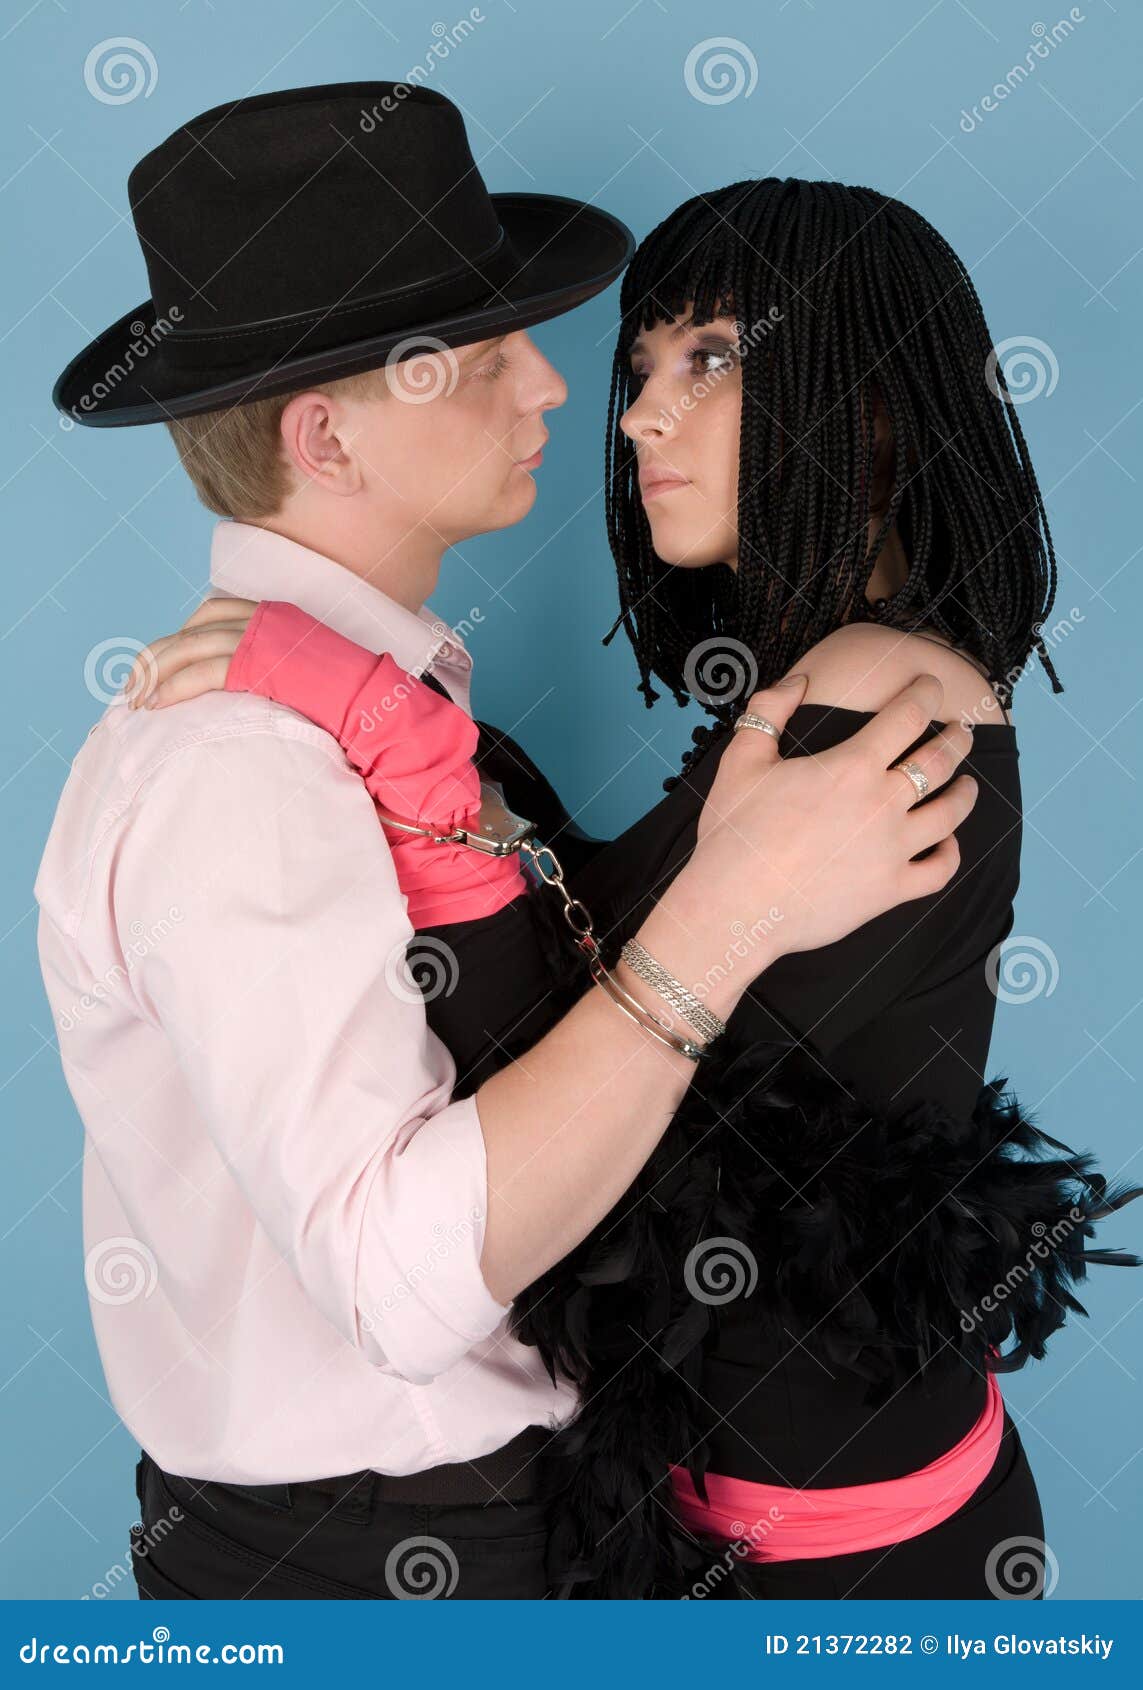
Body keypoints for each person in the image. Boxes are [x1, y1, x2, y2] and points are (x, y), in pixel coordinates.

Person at [132, 177, 1143, 1602]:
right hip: (738, 1509)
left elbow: (601, 1097)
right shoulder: (821, 684)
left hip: (844, 1558)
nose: (637, 413)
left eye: (712, 359)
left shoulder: (875, 698)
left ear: (866, 402)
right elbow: (633, 942)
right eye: (647, 365)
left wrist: (368, 710)